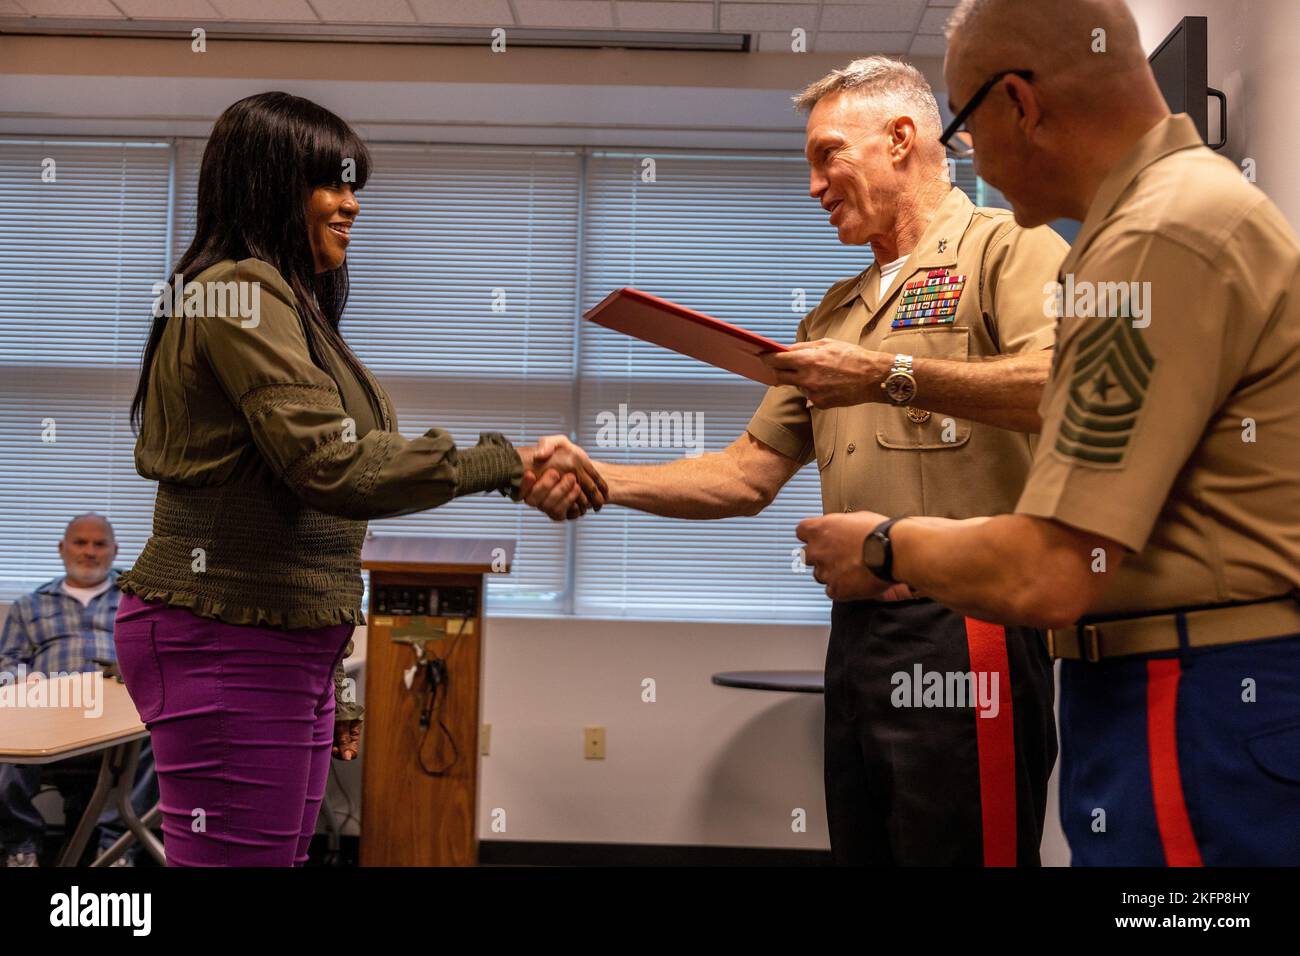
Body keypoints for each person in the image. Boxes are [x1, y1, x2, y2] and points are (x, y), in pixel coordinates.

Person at [527, 57, 1069, 865]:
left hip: (970, 628)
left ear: (900, 138)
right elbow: (747, 473)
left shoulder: (1010, 247)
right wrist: (604, 479)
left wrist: (885, 374)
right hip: (858, 633)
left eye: (827, 156)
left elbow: (1061, 386)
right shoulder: (834, 315)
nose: (813, 186)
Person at [799, 0, 1300, 865]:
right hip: (1161, 683)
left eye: (964, 121)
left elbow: (1057, 567)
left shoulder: (1158, 234)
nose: (970, 153)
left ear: (1019, 103)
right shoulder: (1151, 225)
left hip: (1198, 692)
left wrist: (881, 547)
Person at [115, 91, 606, 866]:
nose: (351, 204)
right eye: (332, 184)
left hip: (280, 638)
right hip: (228, 633)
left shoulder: (290, 304)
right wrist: (507, 463)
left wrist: (335, 681)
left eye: (354, 187)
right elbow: (331, 466)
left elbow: (331, 500)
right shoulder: (238, 291)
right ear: (269, 185)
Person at [0, 514, 158, 867]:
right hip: (45, 713)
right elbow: (8, 663)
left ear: (114, 550)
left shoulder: (138, 601)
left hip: (120, 717)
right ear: (62, 548)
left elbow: (157, 655)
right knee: (4, 731)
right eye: (80, 543)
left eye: (99, 544)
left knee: (158, 730)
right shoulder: (30, 604)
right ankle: (20, 845)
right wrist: (25, 681)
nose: (89, 551)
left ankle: (117, 847)